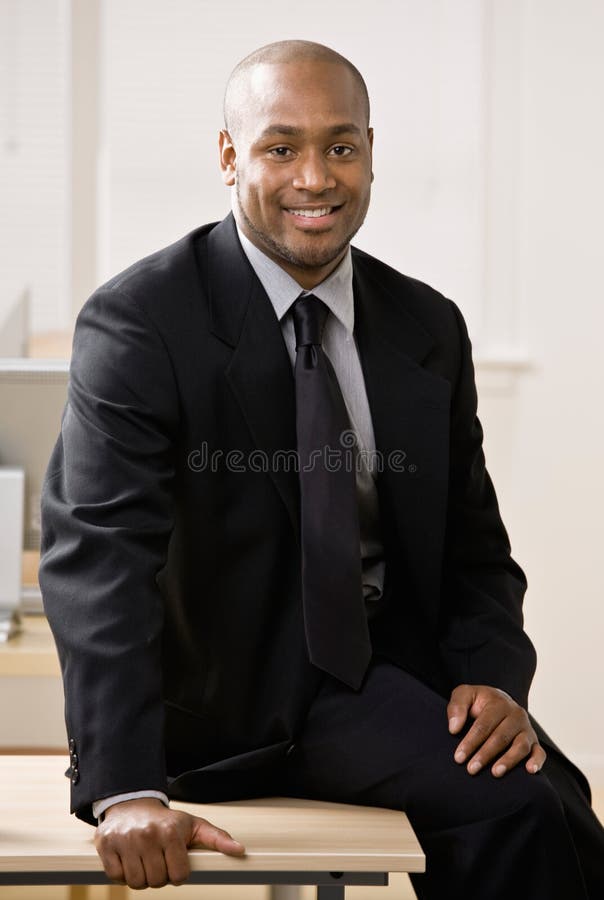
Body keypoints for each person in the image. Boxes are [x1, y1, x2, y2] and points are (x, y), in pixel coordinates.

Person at [39, 39, 604, 899]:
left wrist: (492, 675)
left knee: (562, 804)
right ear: (230, 158)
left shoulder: (426, 325)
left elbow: (476, 550)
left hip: (393, 672)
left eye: (340, 146)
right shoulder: (141, 323)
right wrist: (126, 787)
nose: (316, 178)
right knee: (517, 813)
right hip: (230, 705)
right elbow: (100, 560)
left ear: (371, 153)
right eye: (281, 147)